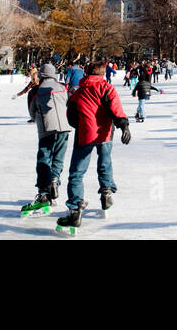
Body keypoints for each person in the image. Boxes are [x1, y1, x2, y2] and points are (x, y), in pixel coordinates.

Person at [60, 62, 132, 233]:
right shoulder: (107, 88)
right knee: (105, 163)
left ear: (86, 72)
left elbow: (71, 116)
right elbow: (116, 109)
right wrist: (124, 126)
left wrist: (82, 125)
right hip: (105, 133)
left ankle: (75, 209)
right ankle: (106, 192)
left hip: (85, 134)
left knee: (77, 172)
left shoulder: (78, 92)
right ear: (102, 73)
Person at [21, 64, 73, 218]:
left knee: (44, 158)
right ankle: (55, 180)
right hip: (64, 127)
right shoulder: (63, 87)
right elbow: (70, 104)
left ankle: (44, 192)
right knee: (58, 157)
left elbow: (32, 111)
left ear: (42, 75)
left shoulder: (37, 90)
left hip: (47, 128)